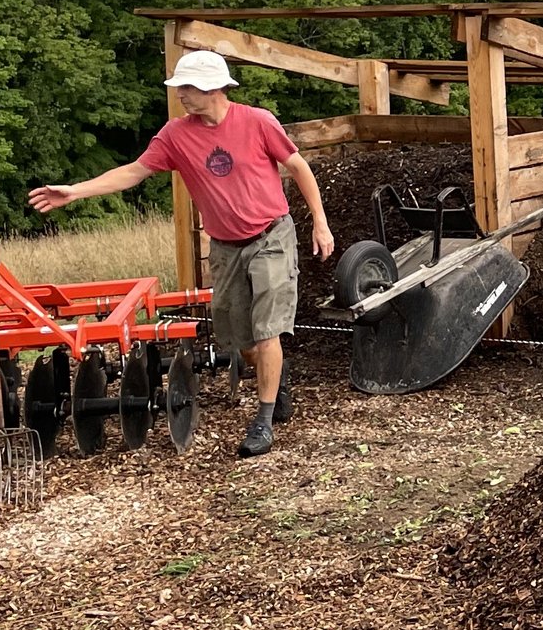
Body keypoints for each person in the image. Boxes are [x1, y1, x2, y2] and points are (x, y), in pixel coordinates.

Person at [30, 50, 335, 458]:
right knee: (241, 339)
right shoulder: (175, 135)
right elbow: (134, 171)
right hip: (225, 247)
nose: (181, 95)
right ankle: (275, 376)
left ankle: (263, 420)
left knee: (267, 332)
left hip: (270, 238)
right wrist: (75, 191)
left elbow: (298, 167)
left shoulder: (257, 121)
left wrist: (319, 222)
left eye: (187, 87)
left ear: (212, 87)